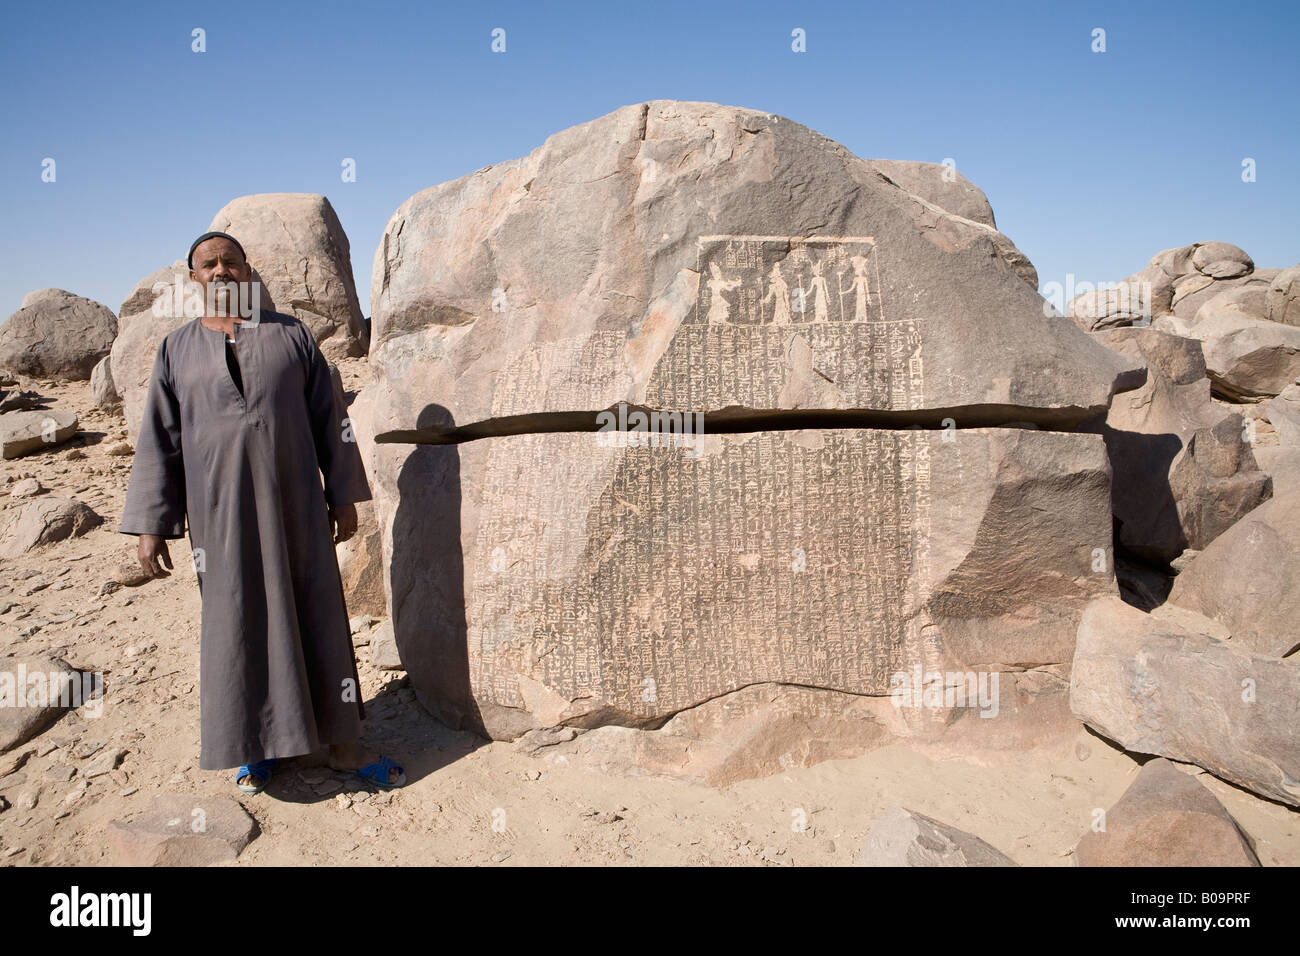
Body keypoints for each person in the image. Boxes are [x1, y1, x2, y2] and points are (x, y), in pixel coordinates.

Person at [119, 230, 404, 793]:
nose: (221, 270)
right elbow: (160, 441)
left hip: (297, 509)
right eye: (209, 264)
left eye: (230, 261)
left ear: (247, 272)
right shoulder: (175, 350)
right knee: (238, 625)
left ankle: (344, 746)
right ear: (193, 278)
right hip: (219, 519)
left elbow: (331, 420)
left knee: (317, 615)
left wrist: (342, 493)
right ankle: (261, 747)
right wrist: (153, 524)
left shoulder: (292, 336)